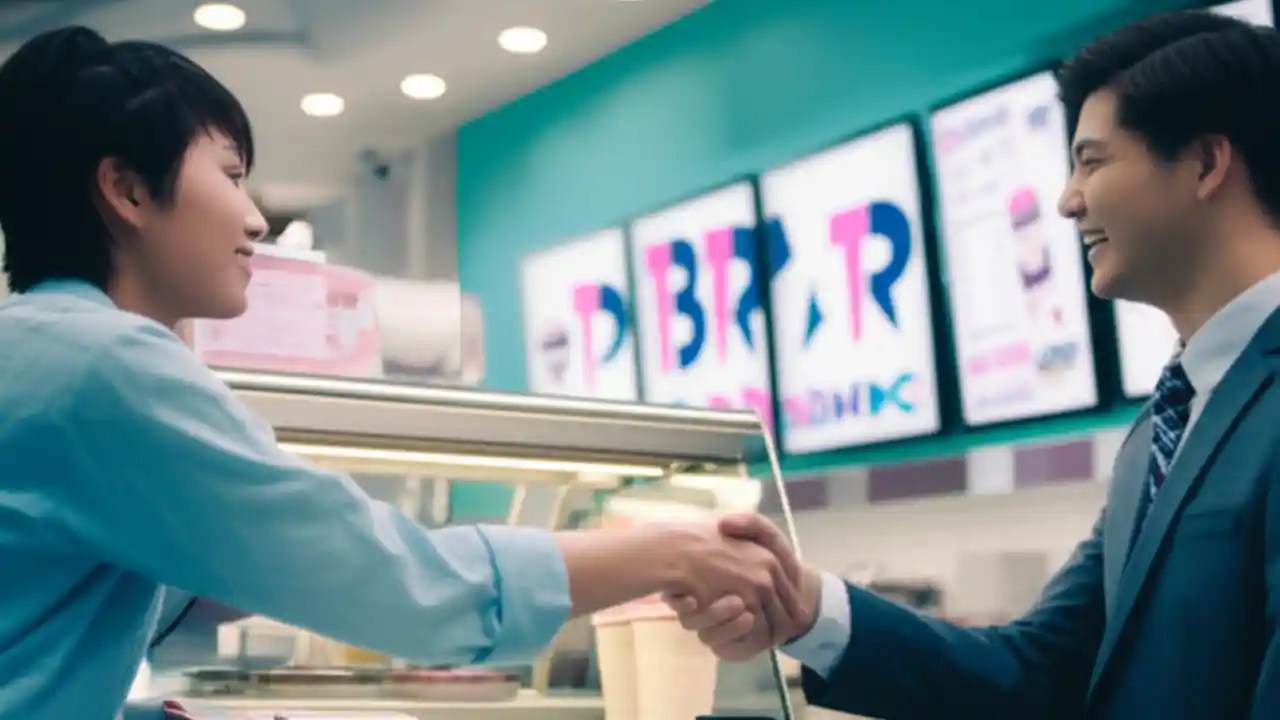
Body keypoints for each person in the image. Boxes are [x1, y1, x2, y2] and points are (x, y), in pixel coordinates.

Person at [0, 27, 804, 720]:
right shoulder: (109, 368)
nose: (254, 218)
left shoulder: (41, 352)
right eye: (232, 173)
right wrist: (666, 553)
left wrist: (271, 543)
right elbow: (413, 588)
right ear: (128, 189)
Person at [672, 10, 1280, 720]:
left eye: (1093, 161)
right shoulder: (1161, 431)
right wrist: (806, 607)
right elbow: (1032, 671)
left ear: (1206, 164)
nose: (1066, 200)